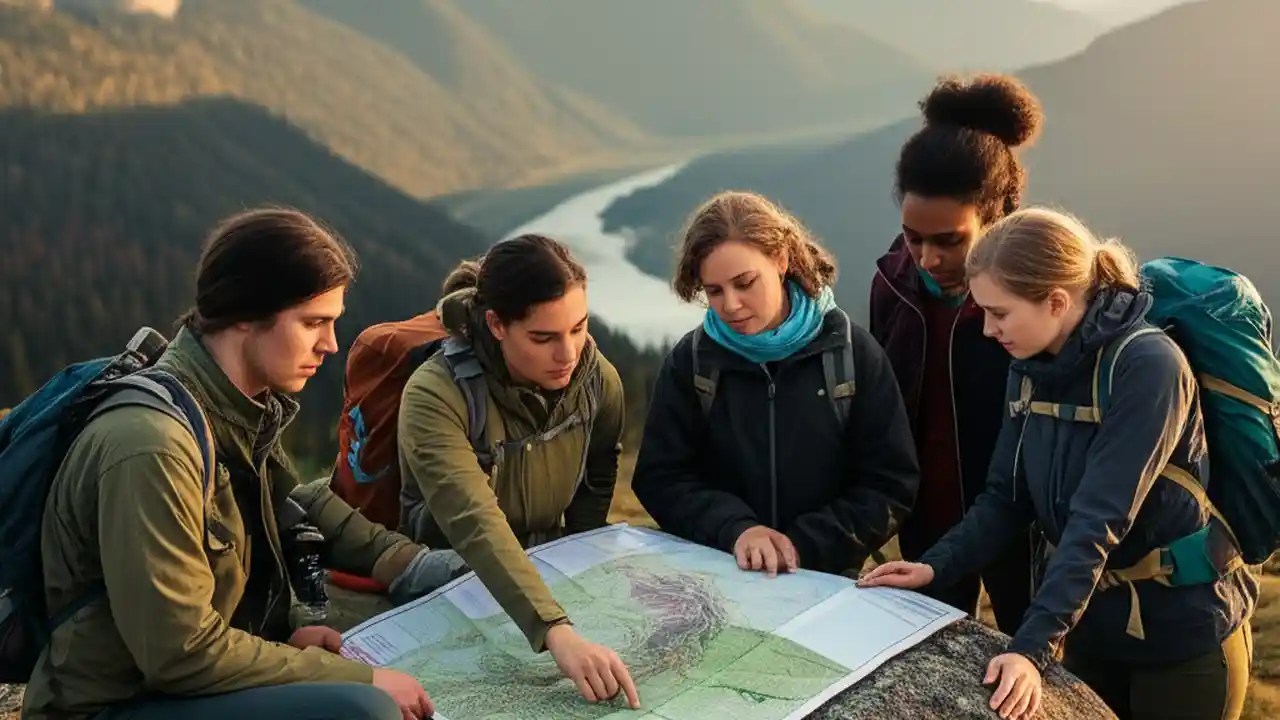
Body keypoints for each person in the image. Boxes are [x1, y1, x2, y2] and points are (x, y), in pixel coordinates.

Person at [24, 208, 450, 720]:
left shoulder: (231, 410)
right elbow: (179, 653)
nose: (331, 344)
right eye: (313, 322)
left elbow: (283, 507)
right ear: (245, 312)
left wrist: (288, 630)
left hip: (168, 693)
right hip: (111, 706)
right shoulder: (152, 444)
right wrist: (360, 676)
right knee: (363, 708)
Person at [860, 208, 1257, 720]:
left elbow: (1098, 519)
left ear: (1055, 301)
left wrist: (1030, 649)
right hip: (1094, 630)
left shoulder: (1148, 366)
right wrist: (934, 566)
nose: (988, 330)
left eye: (1000, 313)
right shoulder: (1030, 367)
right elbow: (1004, 498)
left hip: (1186, 636)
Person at [396, 234, 640, 709]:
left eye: (579, 327)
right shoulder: (435, 396)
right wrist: (555, 630)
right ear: (496, 324)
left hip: (549, 561)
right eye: (544, 338)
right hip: (450, 573)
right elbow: (473, 520)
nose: (568, 353)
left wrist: (588, 560)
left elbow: (598, 469)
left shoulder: (595, 379)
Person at [631, 190, 919, 578]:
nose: (730, 304)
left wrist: (803, 545)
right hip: (721, 573)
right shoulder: (693, 362)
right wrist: (736, 530)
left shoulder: (851, 354)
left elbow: (890, 483)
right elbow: (659, 477)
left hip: (826, 579)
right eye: (714, 291)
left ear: (781, 259)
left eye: (745, 282)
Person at [870, 73, 1043, 634]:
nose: (926, 257)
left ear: (995, 217)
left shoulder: (1041, 297)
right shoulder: (891, 286)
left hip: (1023, 527)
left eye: (950, 240)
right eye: (913, 237)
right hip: (927, 523)